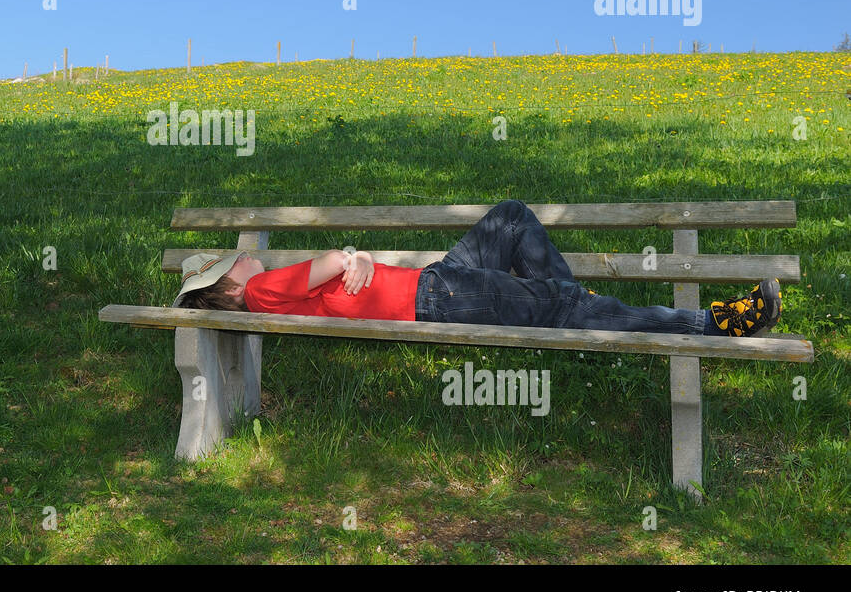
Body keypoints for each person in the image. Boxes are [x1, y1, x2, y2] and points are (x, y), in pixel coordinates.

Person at [173, 199, 781, 338]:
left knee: (511, 219)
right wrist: (350, 257)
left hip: (438, 283)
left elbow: (330, 279)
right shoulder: (258, 288)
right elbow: (330, 262)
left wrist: (349, 265)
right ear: (229, 279)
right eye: (236, 256)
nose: (247, 253)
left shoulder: (259, 296)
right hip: (437, 299)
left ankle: (564, 302)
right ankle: (716, 323)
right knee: (563, 304)